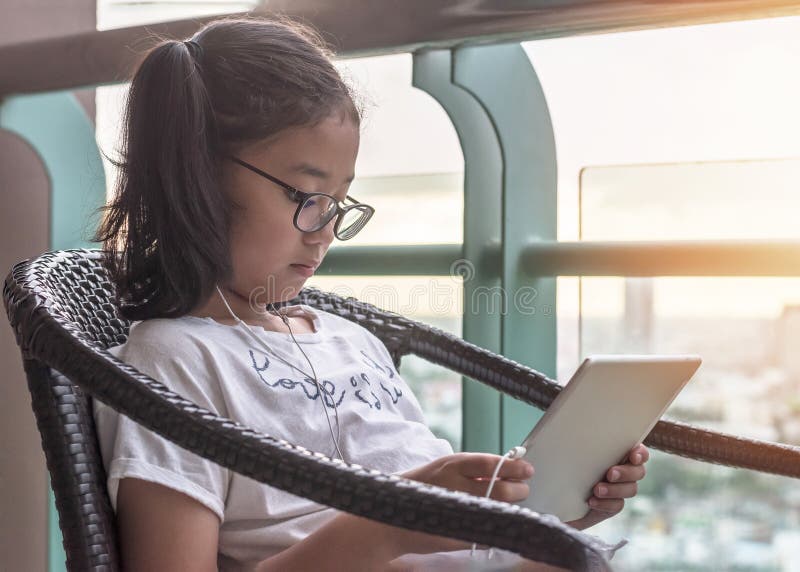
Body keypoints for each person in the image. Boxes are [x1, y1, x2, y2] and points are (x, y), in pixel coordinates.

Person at [91, 16, 649, 572]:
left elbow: (446, 533)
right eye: (308, 195)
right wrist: (387, 525)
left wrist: (555, 510)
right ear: (199, 178)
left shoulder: (352, 341)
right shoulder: (169, 366)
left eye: (339, 202)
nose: (326, 229)